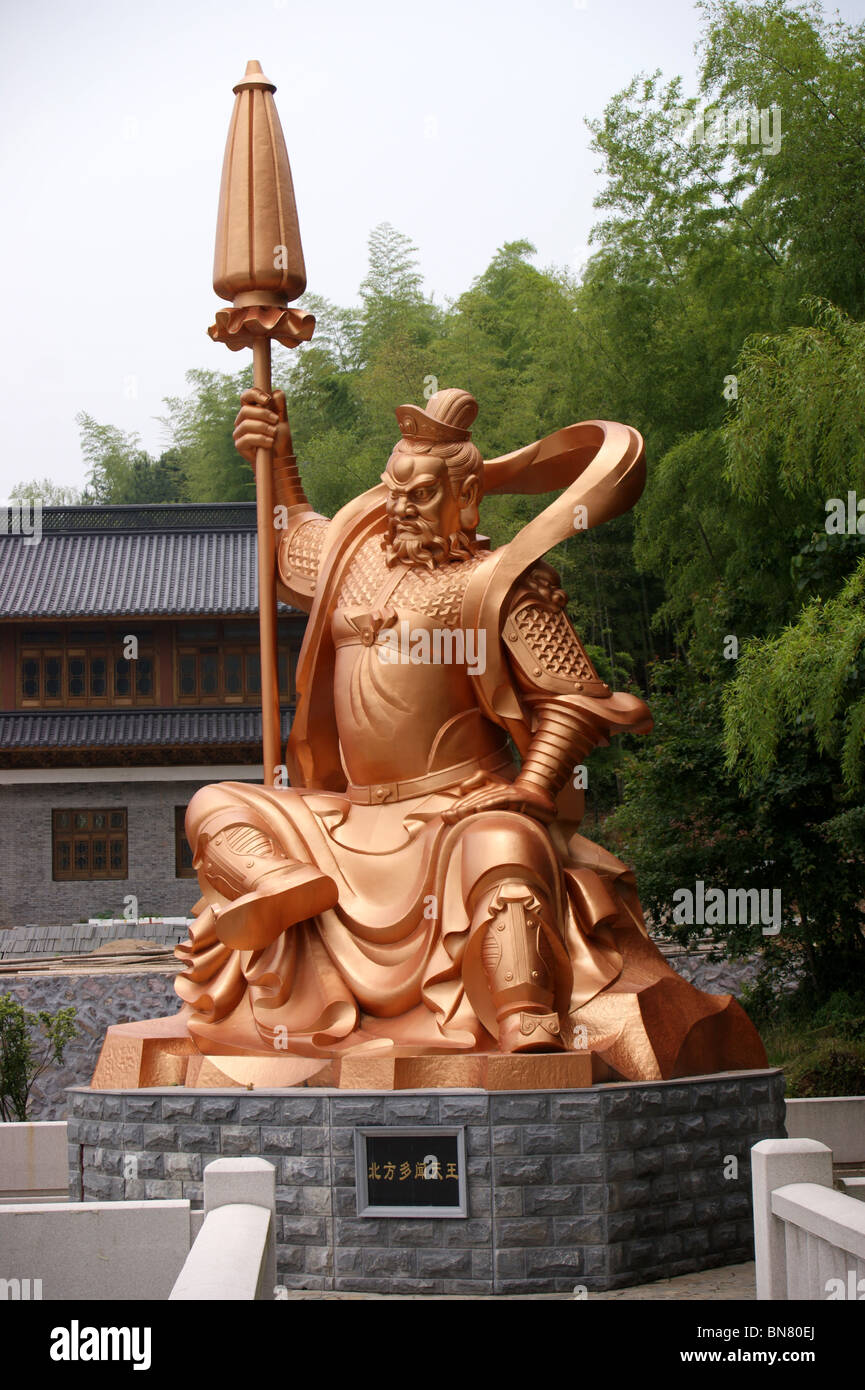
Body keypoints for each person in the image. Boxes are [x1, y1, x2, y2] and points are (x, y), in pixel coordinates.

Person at [176, 387, 764, 1078]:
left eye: (420, 494)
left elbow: (573, 700)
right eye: (392, 487)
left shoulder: (498, 581)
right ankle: (279, 883)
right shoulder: (352, 558)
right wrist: (277, 456)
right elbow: (291, 540)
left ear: (464, 498)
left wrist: (530, 790)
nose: (399, 506)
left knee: (503, 846)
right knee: (217, 803)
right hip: (348, 819)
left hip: (452, 811)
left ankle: (524, 1018)